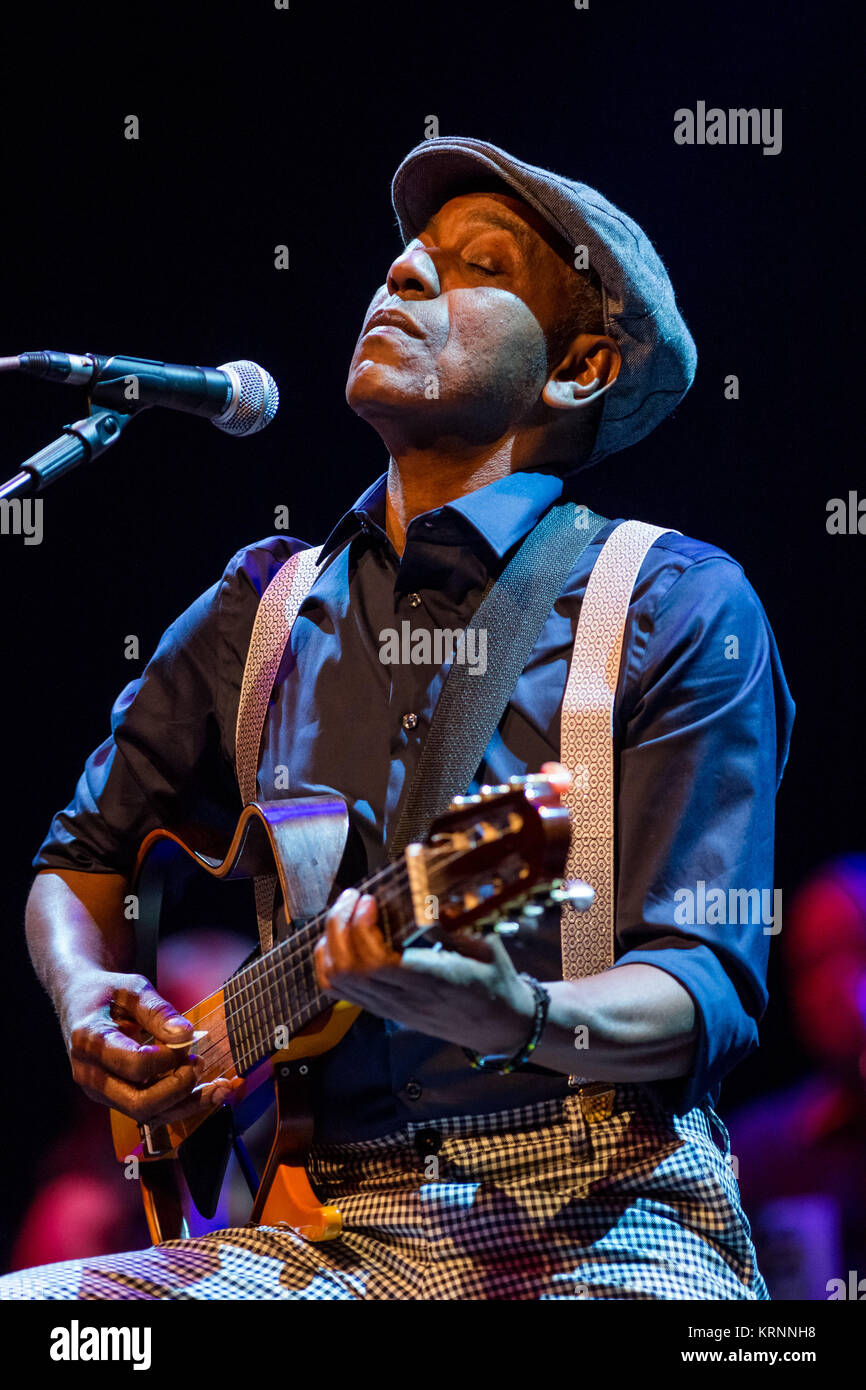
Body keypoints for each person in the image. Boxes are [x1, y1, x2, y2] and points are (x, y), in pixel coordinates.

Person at [0, 136, 794, 1300]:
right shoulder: (262, 602)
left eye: (475, 264)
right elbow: (81, 858)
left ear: (576, 367)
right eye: (408, 253)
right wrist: (84, 994)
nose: (406, 275)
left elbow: (701, 988)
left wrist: (513, 1012)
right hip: (324, 1226)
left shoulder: (673, 602)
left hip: (605, 1213)